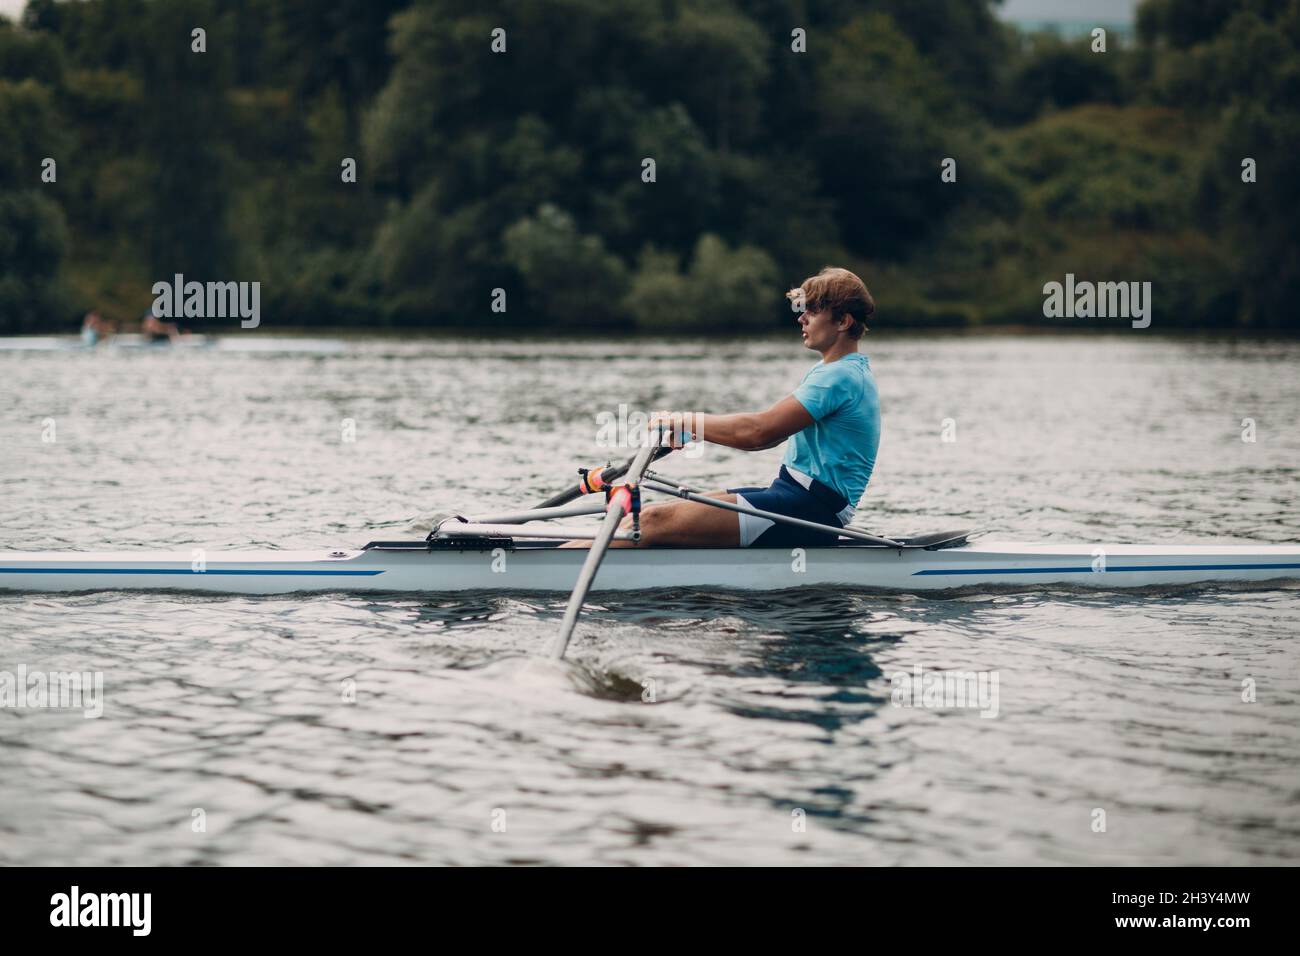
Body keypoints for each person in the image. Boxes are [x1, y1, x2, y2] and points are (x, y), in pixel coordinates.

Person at [609, 266, 880, 548]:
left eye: (812, 310)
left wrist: (684, 421)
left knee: (651, 522)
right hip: (792, 497)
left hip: (807, 511)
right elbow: (770, 438)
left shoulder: (838, 378)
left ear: (843, 322)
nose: (801, 318)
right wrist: (695, 431)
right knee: (638, 518)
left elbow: (757, 432)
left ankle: (563, 577)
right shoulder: (836, 371)